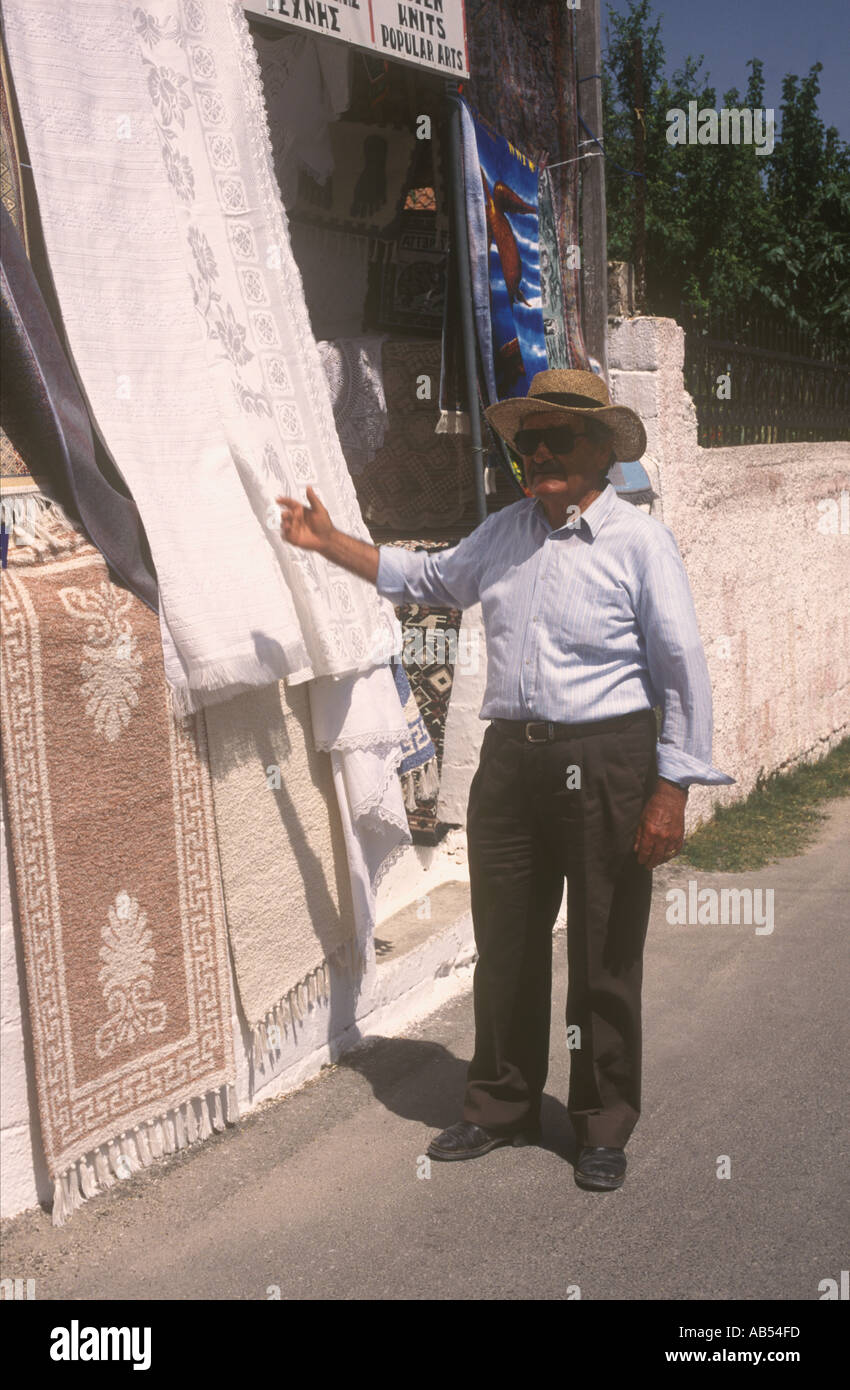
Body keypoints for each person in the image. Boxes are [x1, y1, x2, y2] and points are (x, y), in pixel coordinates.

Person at [277, 368, 734, 1192]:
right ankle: (501, 1104)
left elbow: (682, 672)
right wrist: (327, 540)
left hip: (609, 761)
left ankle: (600, 1120)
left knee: (602, 953)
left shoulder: (640, 544)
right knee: (508, 946)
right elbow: (426, 579)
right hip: (511, 766)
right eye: (529, 442)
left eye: (560, 439)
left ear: (601, 450)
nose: (541, 455)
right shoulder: (504, 533)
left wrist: (672, 788)